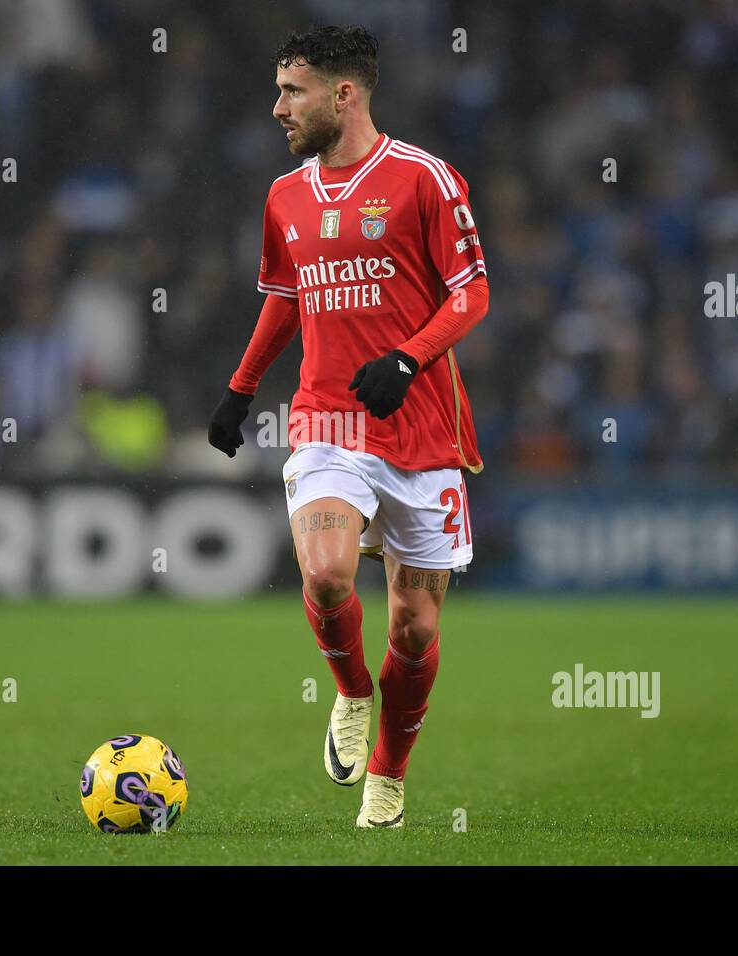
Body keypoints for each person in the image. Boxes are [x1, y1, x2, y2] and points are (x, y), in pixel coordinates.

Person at [208, 25, 489, 828]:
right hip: (328, 420)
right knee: (328, 575)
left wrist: (407, 360)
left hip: (425, 430)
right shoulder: (284, 195)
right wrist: (241, 389)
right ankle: (350, 692)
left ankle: (389, 773)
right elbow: (287, 296)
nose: (276, 108)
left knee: (415, 622)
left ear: (345, 93)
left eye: (291, 91)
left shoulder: (425, 180)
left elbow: (472, 293)